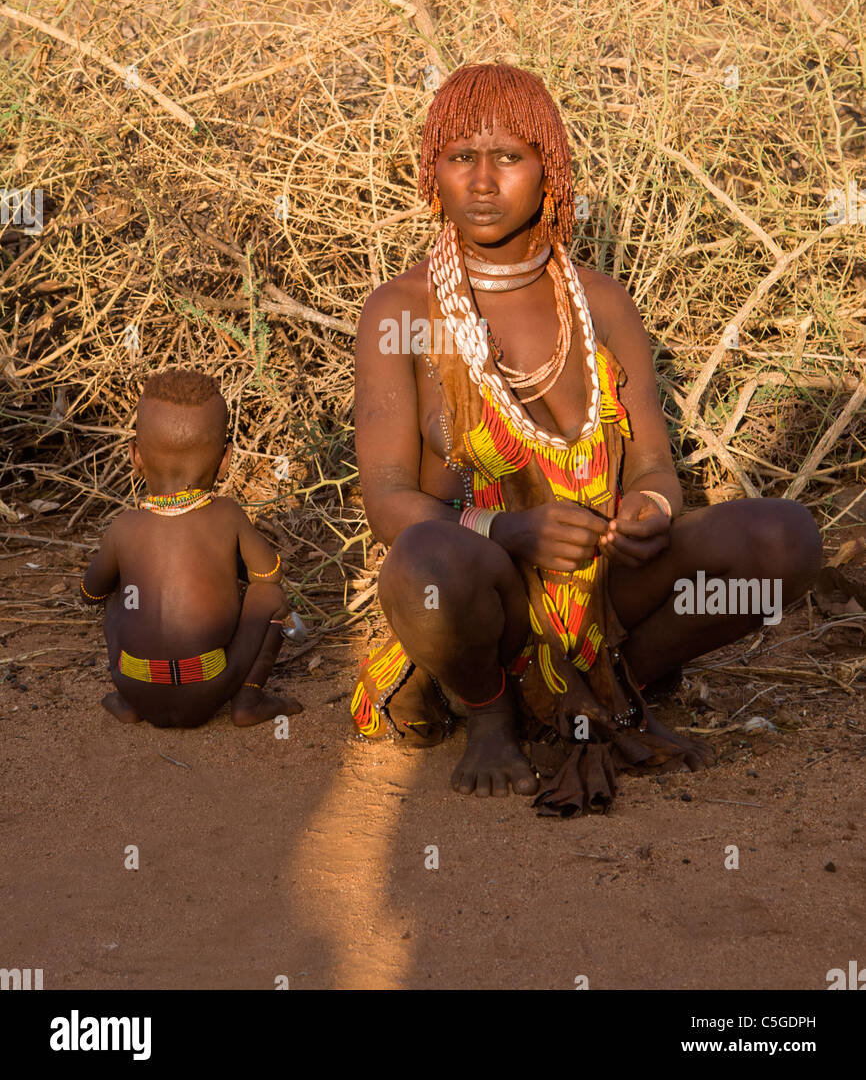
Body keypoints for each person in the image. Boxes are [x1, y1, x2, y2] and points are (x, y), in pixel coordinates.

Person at [351, 63, 822, 816]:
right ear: (431, 171)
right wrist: (513, 530)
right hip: (487, 598)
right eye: (458, 157)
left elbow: (656, 466)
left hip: (604, 593)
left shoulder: (599, 300)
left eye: (508, 156)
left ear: (551, 171)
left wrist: (651, 511)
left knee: (784, 537)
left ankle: (614, 689)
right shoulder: (399, 311)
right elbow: (386, 499)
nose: (480, 180)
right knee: (426, 558)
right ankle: (490, 714)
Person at [80, 368, 302, 729]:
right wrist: (235, 570)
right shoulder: (227, 515)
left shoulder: (124, 527)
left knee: (118, 593)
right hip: (208, 685)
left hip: (136, 684)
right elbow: (270, 573)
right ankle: (248, 700)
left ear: (135, 456)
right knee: (269, 597)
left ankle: (126, 700)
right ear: (226, 458)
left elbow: (89, 592)